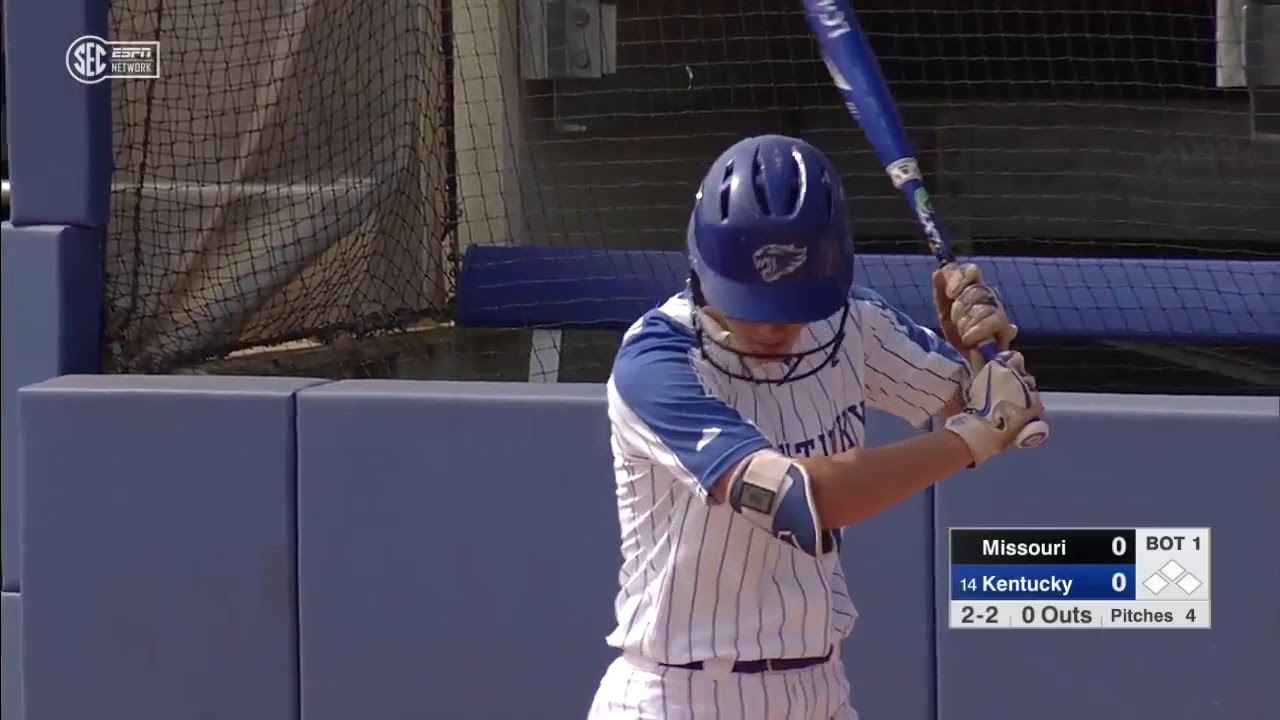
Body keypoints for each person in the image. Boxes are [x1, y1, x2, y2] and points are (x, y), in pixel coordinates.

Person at [586, 134, 1044, 719]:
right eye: (752, 300)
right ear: (703, 269)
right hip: (682, 696)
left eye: (792, 302)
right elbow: (798, 501)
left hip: (819, 686)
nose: (773, 326)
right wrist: (973, 436)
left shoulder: (853, 323)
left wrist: (980, 357)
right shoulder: (656, 364)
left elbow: (1002, 412)